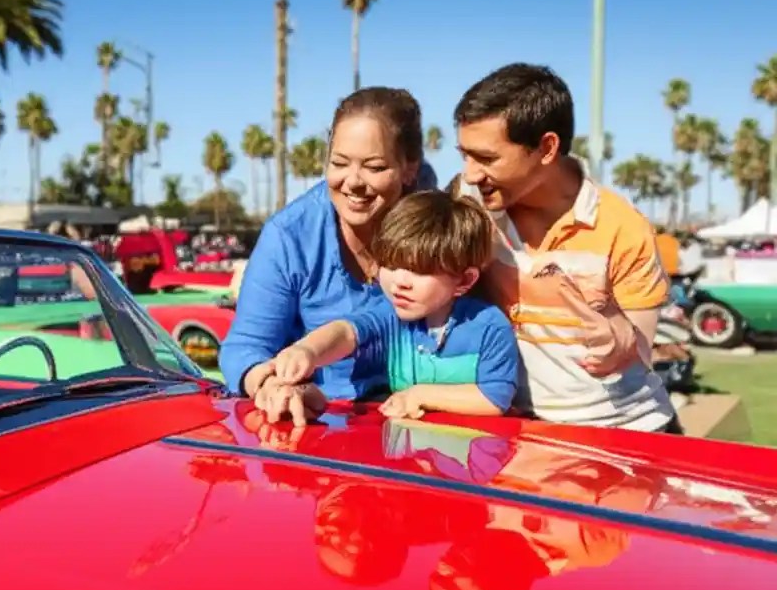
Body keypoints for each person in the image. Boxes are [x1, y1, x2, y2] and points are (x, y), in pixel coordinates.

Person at [451, 62, 679, 433]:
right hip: (520, 432)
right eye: (465, 155)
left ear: (546, 148)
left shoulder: (625, 227)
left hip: (628, 431)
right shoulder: (468, 205)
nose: (471, 174)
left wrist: (621, 343)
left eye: (486, 158)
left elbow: (641, 349)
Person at [220, 87, 424, 425]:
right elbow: (243, 348)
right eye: (339, 163)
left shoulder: (435, 228)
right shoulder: (289, 236)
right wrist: (271, 385)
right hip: (326, 422)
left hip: (420, 420)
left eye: (373, 167)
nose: (353, 182)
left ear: (409, 168)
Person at [267, 191, 520, 420]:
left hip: (470, 457)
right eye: (390, 264)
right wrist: (307, 350)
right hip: (405, 459)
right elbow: (347, 332)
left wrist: (419, 395)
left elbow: (494, 397)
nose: (399, 282)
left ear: (464, 280)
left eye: (419, 271)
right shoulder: (391, 315)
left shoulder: (489, 326)